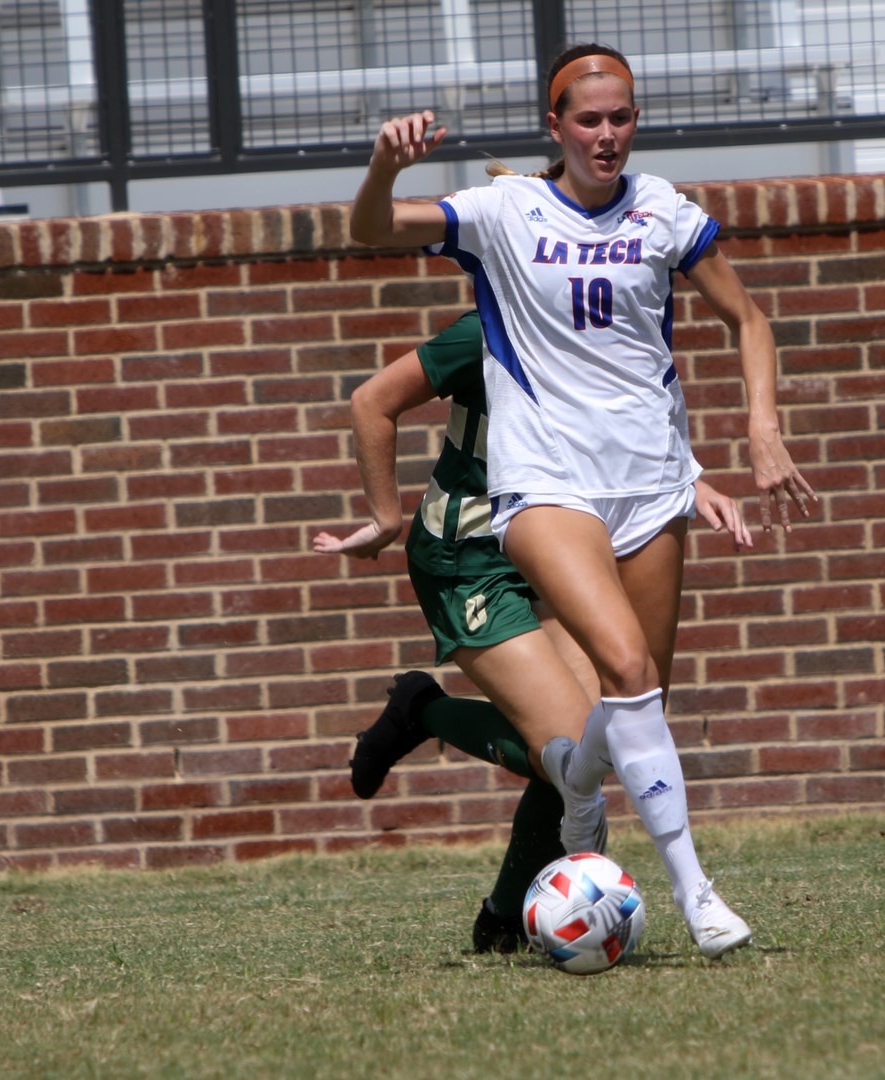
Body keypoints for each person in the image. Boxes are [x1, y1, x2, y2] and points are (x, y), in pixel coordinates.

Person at [349, 42, 816, 959]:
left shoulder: (663, 211)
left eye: (623, 118)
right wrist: (383, 166)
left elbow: (748, 320)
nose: (608, 135)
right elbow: (373, 230)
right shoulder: (503, 213)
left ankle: (575, 794)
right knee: (628, 665)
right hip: (542, 489)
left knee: (633, 701)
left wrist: (758, 431)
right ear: (555, 126)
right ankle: (696, 891)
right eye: (589, 119)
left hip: (652, 488)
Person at [313, 311, 750, 953]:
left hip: (559, 545)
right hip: (469, 558)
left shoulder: (603, 321)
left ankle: (503, 917)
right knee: (571, 749)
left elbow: (620, 429)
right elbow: (371, 401)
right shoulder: (485, 330)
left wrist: (692, 482)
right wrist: (384, 519)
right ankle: (424, 710)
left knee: (598, 736)